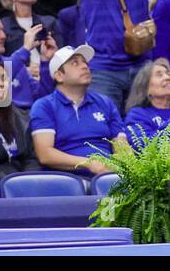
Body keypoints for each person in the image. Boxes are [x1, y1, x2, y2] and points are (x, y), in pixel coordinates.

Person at [29, 45, 128, 175]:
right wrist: (88, 163)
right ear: (59, 76)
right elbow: (45, 154)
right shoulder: (44, 106)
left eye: (85, 62)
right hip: (67, 182)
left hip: (109, 176)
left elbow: (122, 146)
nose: (84, 67)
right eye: (75, 63)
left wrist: (120, 163)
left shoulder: (105, 103)